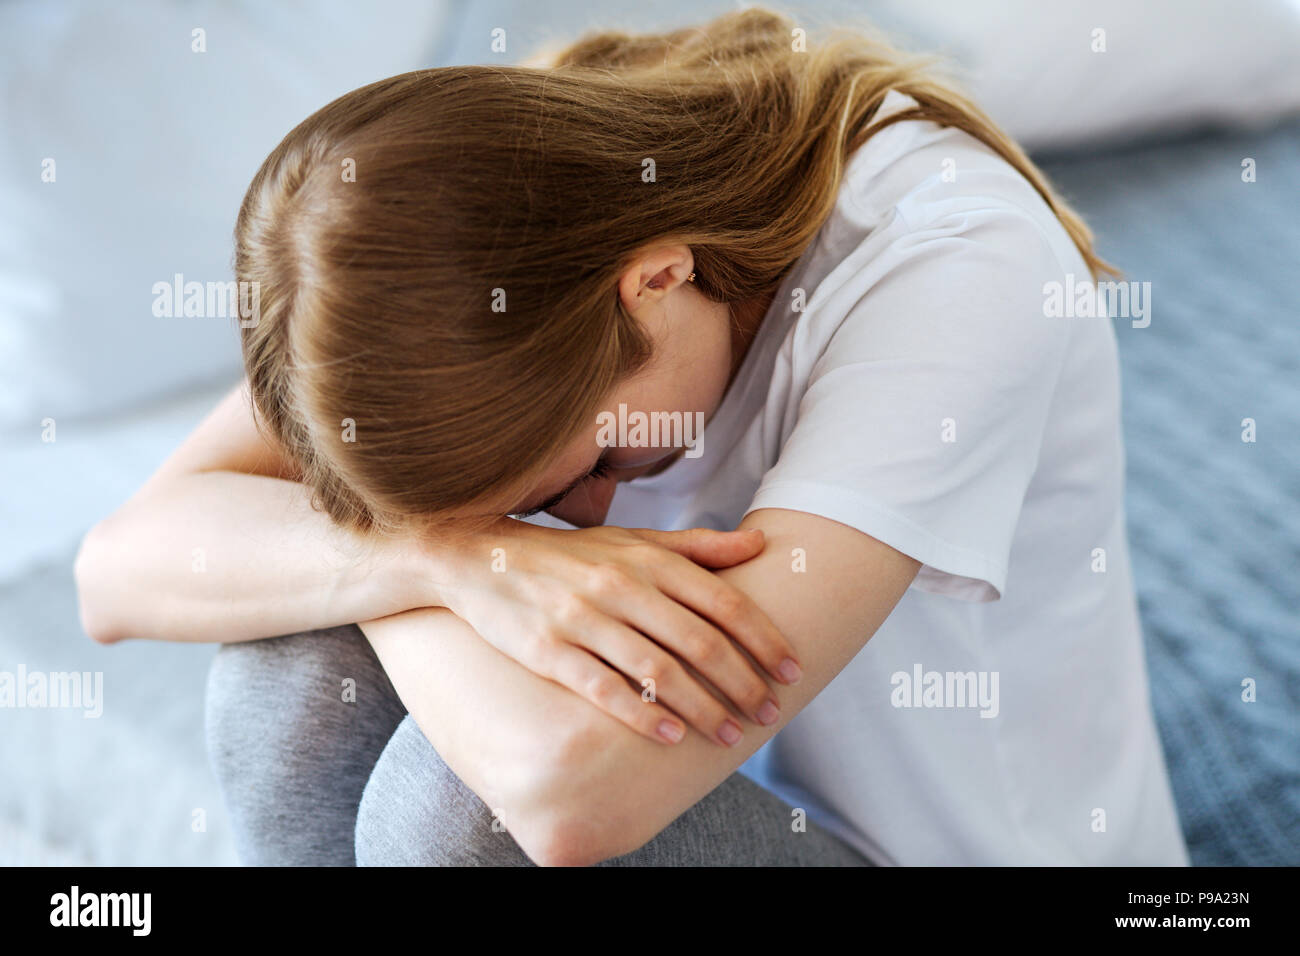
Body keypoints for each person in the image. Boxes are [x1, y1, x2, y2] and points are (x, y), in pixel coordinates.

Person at [74, 8, 1189, 866]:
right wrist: (447, 556)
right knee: (291, 664)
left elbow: (569, 798)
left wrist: (420, 562)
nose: (585, 521)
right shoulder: (483, 243)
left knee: (462, 808)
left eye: (597, 461)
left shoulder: (955, 266)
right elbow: (116, 570)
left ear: (654, 281)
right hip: (716, 801)